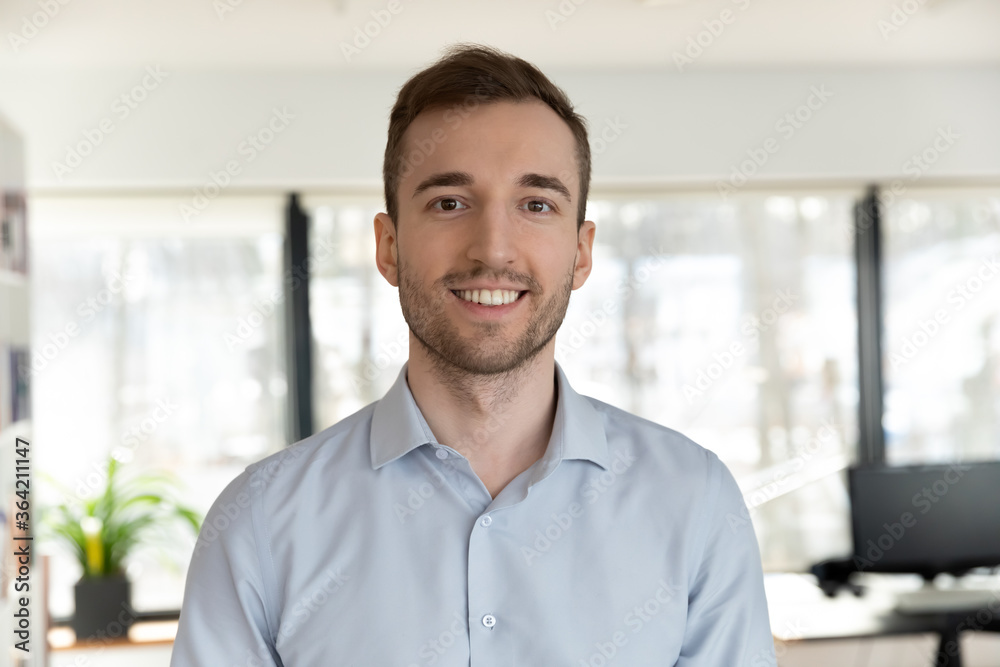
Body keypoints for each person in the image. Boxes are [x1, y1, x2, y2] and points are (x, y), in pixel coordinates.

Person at [171, 43, 775, 667]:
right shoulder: (261, 522)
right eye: (449, 203)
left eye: (536, 204)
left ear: (581, 252)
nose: (493, 250)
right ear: (388, 246)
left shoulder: (695, 501)